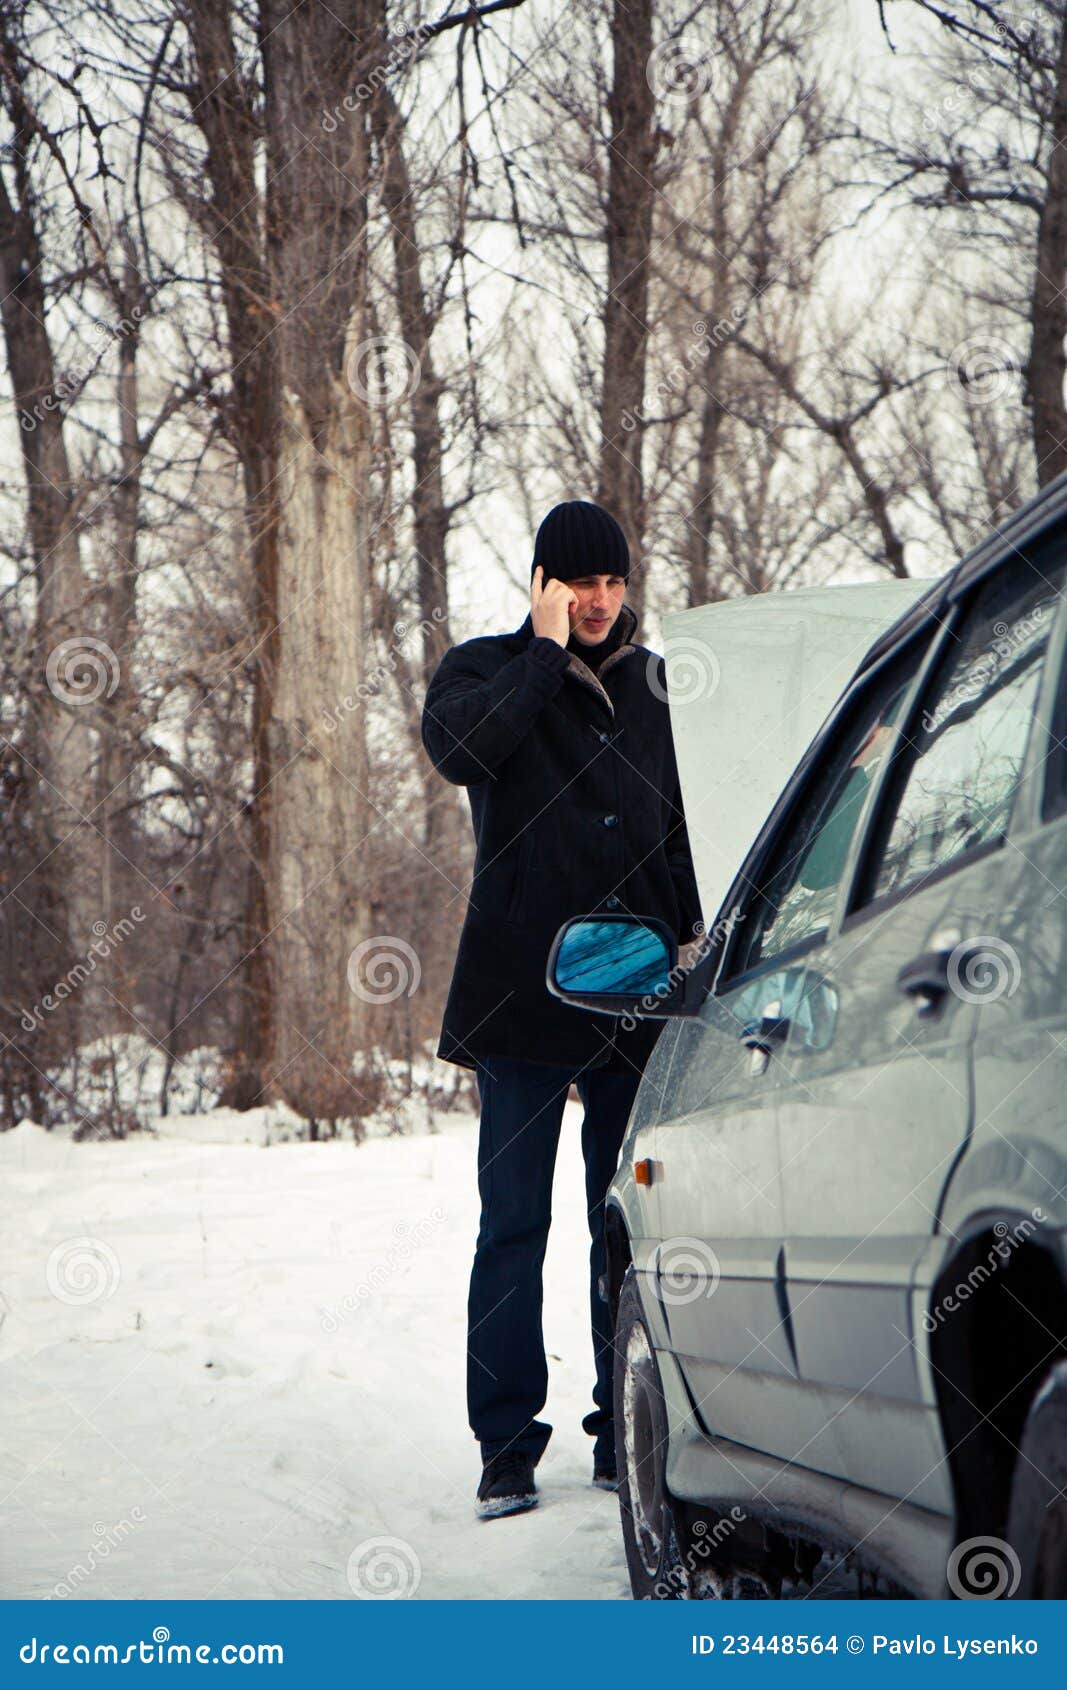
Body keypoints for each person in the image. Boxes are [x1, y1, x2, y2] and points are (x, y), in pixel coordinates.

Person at [420, 499, 703, 1519]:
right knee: (514, 1223)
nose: (595, 600)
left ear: (627, 585)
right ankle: (504, 1443)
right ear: (543, 583)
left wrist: (691, 941)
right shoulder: (484, 670)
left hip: (636, 997)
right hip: (518, 993)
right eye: (576, 582)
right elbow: (461, 752)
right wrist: (539, 657)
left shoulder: (663, 687)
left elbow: (683, 827)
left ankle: (617, 1428)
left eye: (609, 582)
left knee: (623, 1219)